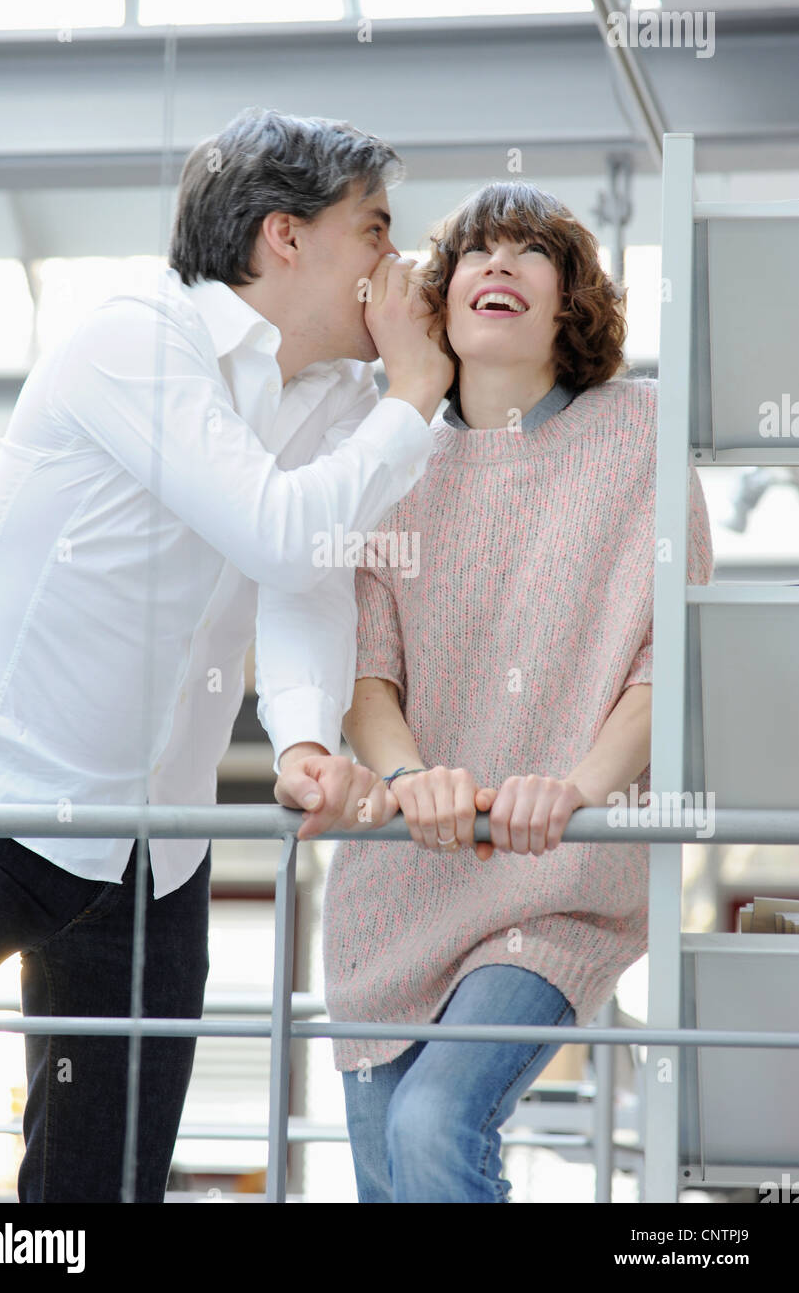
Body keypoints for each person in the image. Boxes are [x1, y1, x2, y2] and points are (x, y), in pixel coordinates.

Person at [0, 107, 446, 1202]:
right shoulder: (139, 337)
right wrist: (411, 400)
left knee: (100, 1193)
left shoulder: (332, 397)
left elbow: (303, 577)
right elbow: (271, 524)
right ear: (284, 236)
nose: (396, 264)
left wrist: (304, 735)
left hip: (150, 855)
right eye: (376, 228)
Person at [291, 179, 715, 1203]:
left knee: (438, 1119)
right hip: (399, 878)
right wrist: (410, 776)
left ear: (569, 302)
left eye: (531, 252)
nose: (497, 263)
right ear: (438, 303)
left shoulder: (638, 430)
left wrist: (573, 786)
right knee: (393, 1164)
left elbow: (674, 657)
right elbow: (366, 674)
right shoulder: (391, 460)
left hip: (557, 879)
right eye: (477, 250)